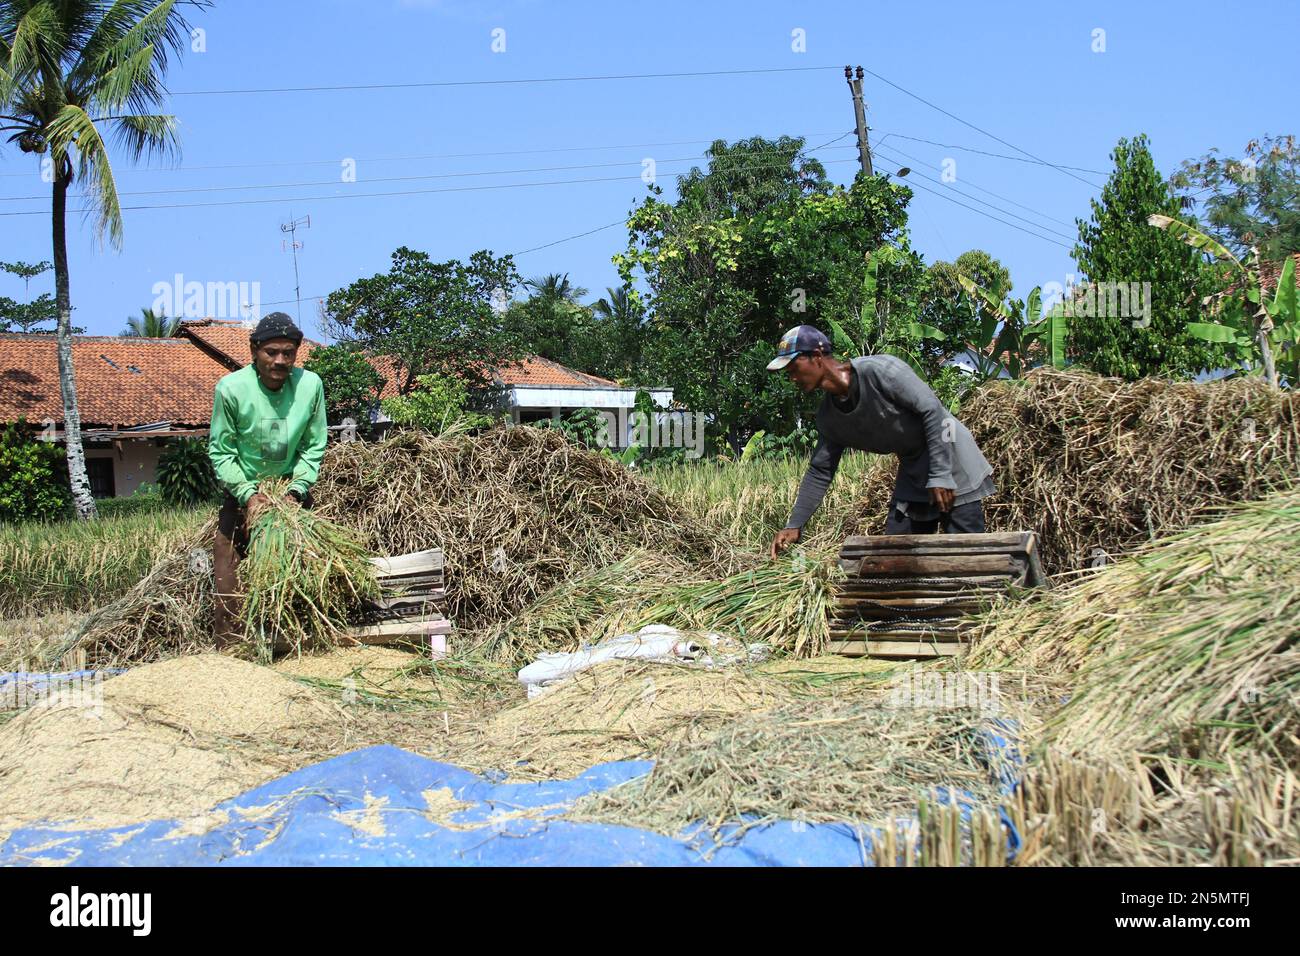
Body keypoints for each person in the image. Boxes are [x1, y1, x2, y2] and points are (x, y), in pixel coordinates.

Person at [767, 324, 995, 559]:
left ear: (816, 357)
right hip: (914, 468)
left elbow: (934, 412)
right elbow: (820, 470)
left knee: (966, 556)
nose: (792, 378)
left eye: (794, 367)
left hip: (952, 455)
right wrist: (795, 523)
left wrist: (941, 474)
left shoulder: (880, 371)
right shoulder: (829, 417)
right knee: (895, 557)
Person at [208, 312, 328, 646]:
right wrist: (248, 495)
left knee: (312, 561)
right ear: (253, 351)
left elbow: (314, 444)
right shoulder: (231, 389)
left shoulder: (310, 385)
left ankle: (306, 642)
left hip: (291, 494)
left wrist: (296, 490)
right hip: (244, 492)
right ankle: (231, 646)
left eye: (288, 353)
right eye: (271, 352)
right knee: (227, 558)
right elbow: (221, 451)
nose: (279, 361)